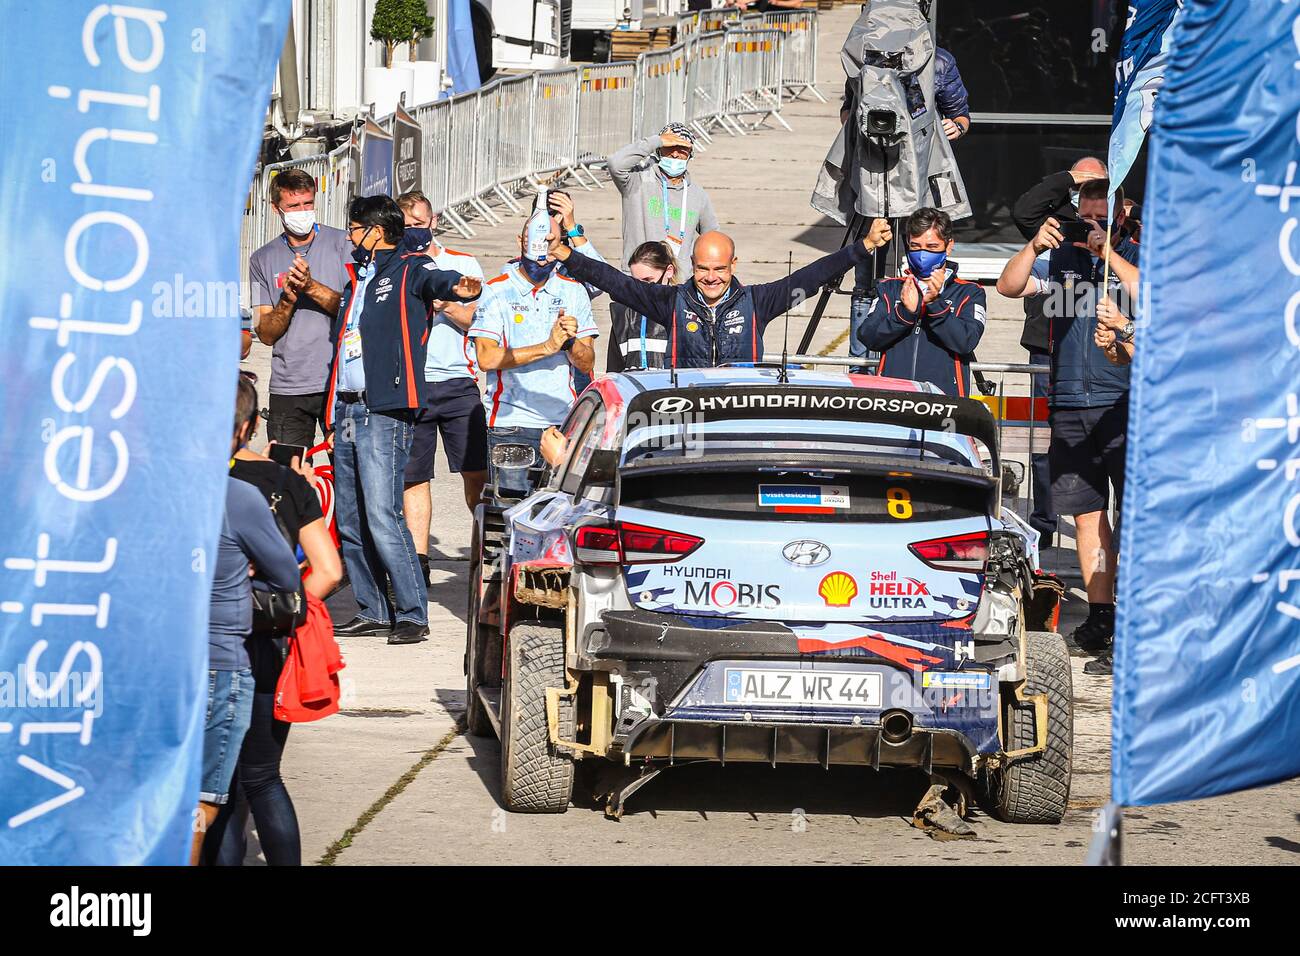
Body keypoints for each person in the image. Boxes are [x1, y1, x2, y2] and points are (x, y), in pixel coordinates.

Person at [325, 195, 482, 645]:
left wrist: (461, 286)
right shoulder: (359, 276)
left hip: (384, 409)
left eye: (355, 229)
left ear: (377, 230)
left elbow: (440, 280)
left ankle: (412, 612)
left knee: (382, 513)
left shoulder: (409, 268)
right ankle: (372, 608)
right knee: (352, 518)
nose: (351, 236)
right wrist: (332, 410)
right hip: (348, 406)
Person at [996, 178, 1140, 666]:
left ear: (1119, 215)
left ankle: (1139, 615)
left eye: (1102, 217)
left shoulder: (1138, 248)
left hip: (1124, 402)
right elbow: (1009, 285)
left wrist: (1107, 254)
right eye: (1086, 216)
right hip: (1070, 401)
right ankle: (1101, 614)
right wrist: (1035, 243)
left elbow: (1149, 291)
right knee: (1086, 514)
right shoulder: (1061, 256)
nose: (1091, 225)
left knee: (1136, 515)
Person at [202, 376, 342, 866]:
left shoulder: (187, 482)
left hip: (203, 645)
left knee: (212, 788)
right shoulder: (287, 482)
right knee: (261, 776)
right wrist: (276, 606)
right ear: (253, 425)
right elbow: (328, 571)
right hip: (266, 646)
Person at [196, 378, 302, 865]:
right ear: (247, 428)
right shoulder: (240, 497)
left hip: (158, 661)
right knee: (211, 798)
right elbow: (287, 574)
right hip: (224, 662)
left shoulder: (154, 490)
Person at [550, 220, 893, 369]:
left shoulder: (759, 302)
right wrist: (568, 255)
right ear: (692, 266)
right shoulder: (670, 303)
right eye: (703, 269)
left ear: (734, 264)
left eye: (719, 269)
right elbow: (614, 282)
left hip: (741, 413)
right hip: (688, 417)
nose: (711, 278)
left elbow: (811, 277)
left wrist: (861, 248)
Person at [845, 47, 971, 375]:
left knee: (922, 261)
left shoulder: (938, 61)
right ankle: (861, 369)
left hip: (918, 183)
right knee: (866, 278)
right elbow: (847, 112)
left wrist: (955, 126)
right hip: (874, 179)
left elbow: (961, 116)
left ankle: (923, 333)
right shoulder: (863, 56)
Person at [1009, 156, 1108, 543]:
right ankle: (1044, 521)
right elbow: (1024, 211)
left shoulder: (1113, 220)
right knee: (1043, 438)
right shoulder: (1062, 219)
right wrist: (1068, 178)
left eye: (1096, 182)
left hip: (1098, 349)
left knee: (1095, 438)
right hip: (1045, 342)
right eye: (1085, 183)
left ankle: (1100, 513)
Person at [395, 190, 490, 586]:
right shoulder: (396, 267)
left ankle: (488, 553)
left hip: (458, 382)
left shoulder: (463, 264)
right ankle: (419, 563)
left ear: (433, 222)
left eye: (419, 224)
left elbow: (484, 323)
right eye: (406, 227)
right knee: (414, 477)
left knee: (476, 473)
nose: (413, 231)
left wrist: (445, 304)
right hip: (412, 384)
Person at [468, 216, 599, 488]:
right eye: (536, 241)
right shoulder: (496, 290)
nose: (542, 255)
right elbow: (486, 358)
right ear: (521, 241)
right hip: (511, 425)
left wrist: (569, 342)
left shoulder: (574, 291)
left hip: (563, 423)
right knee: (509, 518)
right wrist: (547, 347)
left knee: (560, 516)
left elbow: (586, 363)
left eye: (550, 242)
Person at [248, 167, 351, 451]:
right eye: (293, 206)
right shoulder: (261, 259)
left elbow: (353, 312)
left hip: (340, 384)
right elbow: (265, 333)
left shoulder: (344, 244)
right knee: (285, 479)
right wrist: (288, 299)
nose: (302, 211)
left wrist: (310, 286)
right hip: (289, 386)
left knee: (350, 476)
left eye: (308, 204)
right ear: (276, 208)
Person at [856, 208, 986, 397]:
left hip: (944, 402)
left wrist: (935, 305)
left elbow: (965, 342)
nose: (923, 254)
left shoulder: (969, 292)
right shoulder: (889, 289)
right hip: (894, 400)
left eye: (932, 247)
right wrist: (904, 314)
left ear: (948, 246)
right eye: (915, 246)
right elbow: (868, 336)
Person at [608, 123, 719, 271]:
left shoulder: (697, 195)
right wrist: (656, 141)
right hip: (639, 278)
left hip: (678, 282)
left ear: (690, 154)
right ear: (659, 150)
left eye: (682, 150)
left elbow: (713, 237)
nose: (675, 154)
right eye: (670, 147)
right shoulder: (637, 181)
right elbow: (615, 163)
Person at [606, 241, 676, 373]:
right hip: (635, 391)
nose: (641, 290)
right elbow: (613, 371)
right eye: (636, 282)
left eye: (648, 280)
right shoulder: (622, 313)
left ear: (669, 272)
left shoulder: (683, 309)